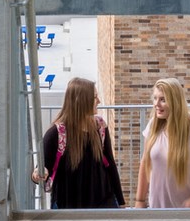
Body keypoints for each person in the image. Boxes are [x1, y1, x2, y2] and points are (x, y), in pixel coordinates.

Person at [31, 77, 125, 209]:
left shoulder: (100, 126)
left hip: (104, 204)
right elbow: (41, 170)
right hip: (68, 208)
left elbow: (110, 165)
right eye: (95, 97)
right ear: (81, 101)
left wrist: (121, 202)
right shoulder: (56, 133)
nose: (99, 101)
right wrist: (38, 174)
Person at [134, 77, 190, 209]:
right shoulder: (153, 125)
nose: (156, 104)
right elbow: (145, 163)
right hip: (158, 213)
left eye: (163, 100)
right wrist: (140, 201)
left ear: (175, 102)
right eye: (155, 98)